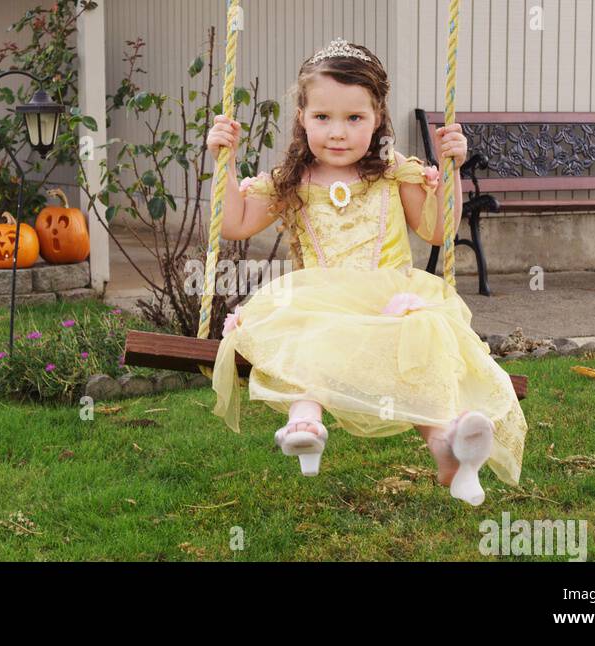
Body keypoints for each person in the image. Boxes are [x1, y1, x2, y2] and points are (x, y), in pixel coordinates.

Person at [206, 38, 527, 506]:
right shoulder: (292, 180)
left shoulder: (396, 174)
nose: (338, 132)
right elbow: (233, 223)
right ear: (302, 118)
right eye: (323, 118)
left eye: (354, 118)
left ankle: (450, 451)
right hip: (321, 300)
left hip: (388, 303)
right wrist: (226, 161)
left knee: (419, 345)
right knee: (308, 329)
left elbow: (437, 230)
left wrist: (449, 168)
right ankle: (305, 422)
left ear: (377, 119)